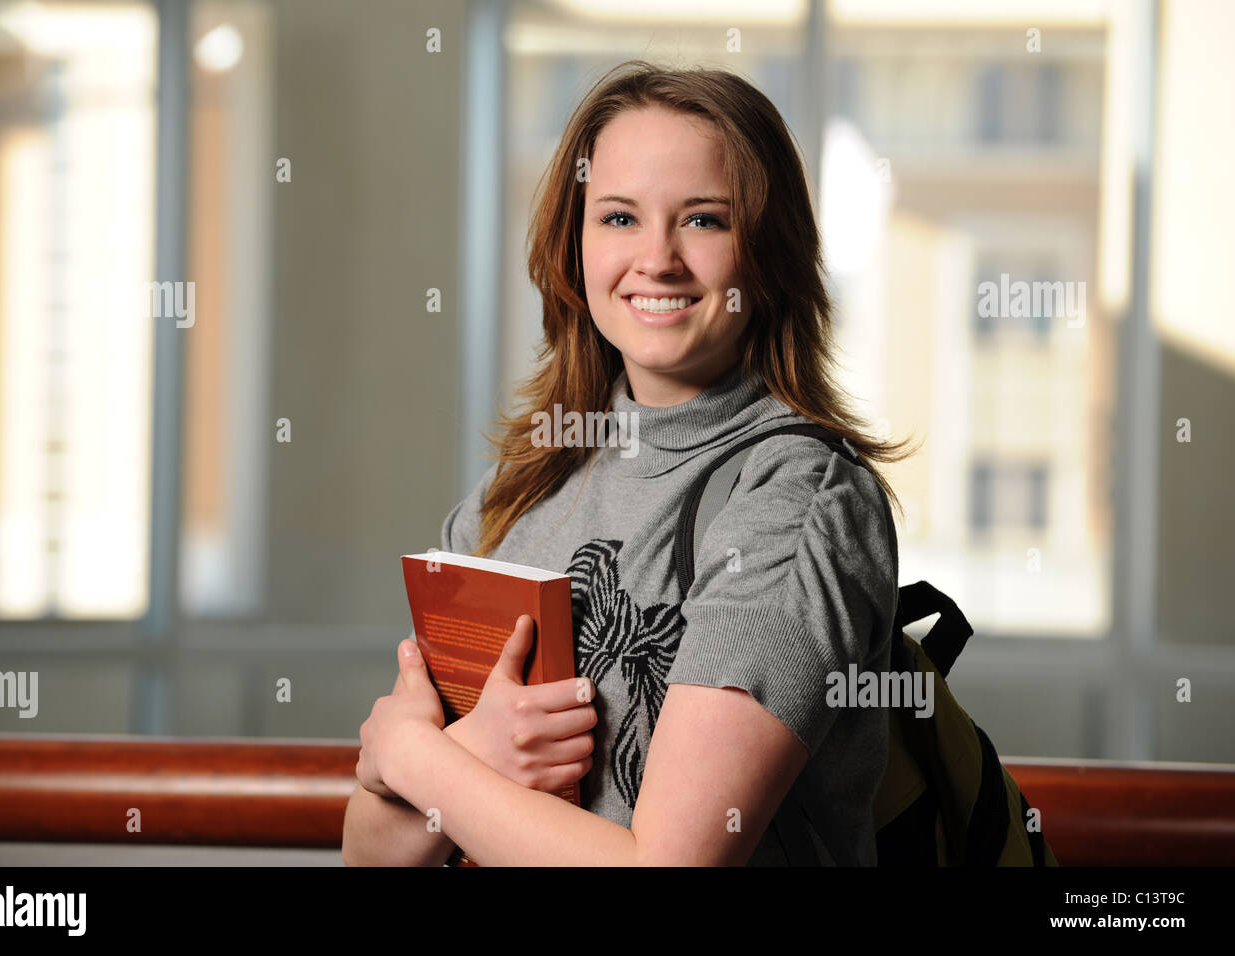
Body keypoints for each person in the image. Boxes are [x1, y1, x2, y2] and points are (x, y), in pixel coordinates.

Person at [342, 59, 916, 866]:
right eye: (618, 218)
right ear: (573, 245)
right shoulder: (523, 484)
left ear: (770, 251)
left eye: (705, 221)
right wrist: (468, 757)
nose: (658, 258)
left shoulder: (796, 497)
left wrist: (418, 758)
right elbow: (371, 853)